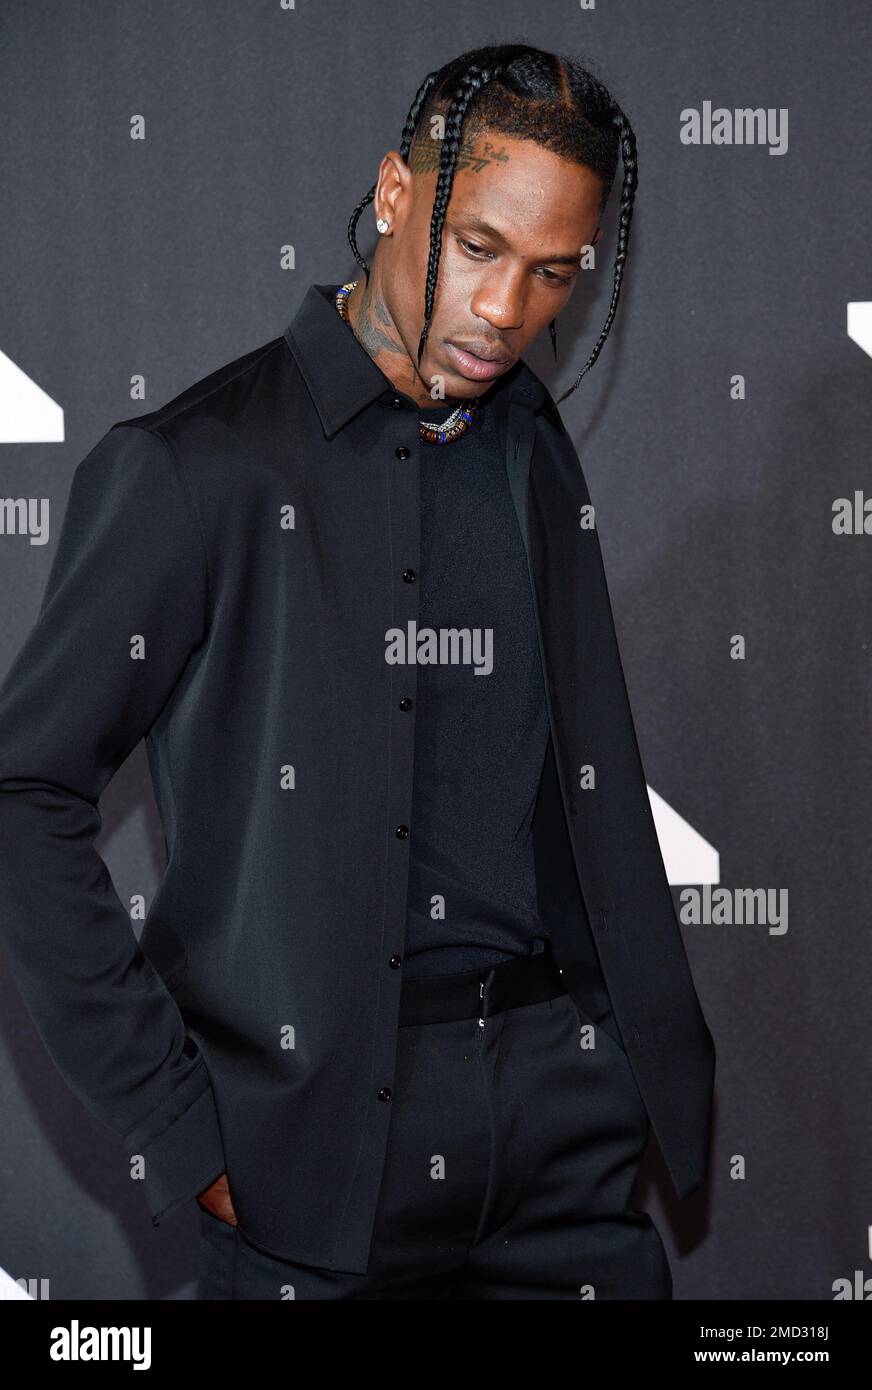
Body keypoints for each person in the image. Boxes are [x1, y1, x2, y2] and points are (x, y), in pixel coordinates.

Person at [0, 42, 714, 1299]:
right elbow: (23, 793)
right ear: (395, 193)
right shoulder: (197, 466)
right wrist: (179, 1126)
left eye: (555, 274)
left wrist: (610, 1063)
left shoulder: (532, 448)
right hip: (318, 1157)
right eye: (480, 247)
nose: (507, 311)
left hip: (566, 1132)